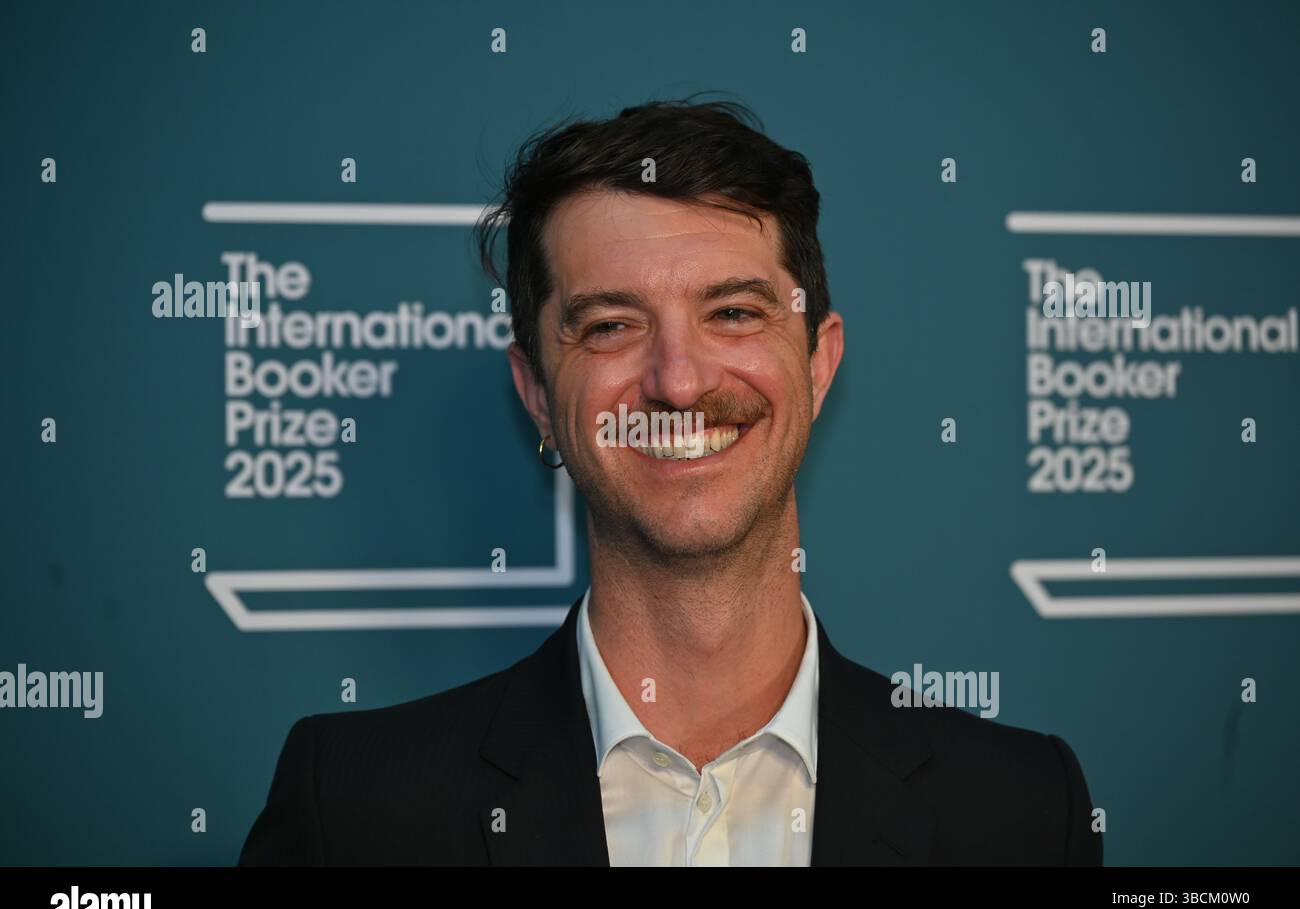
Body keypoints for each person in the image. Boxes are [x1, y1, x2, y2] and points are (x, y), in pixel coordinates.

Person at [239, 96, 1102, 866]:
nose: (679, 382)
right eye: (612, 325)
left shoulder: (1024, 813)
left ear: (818, 362)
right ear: (538, 392)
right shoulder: (353, 813)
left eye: (733, 312)